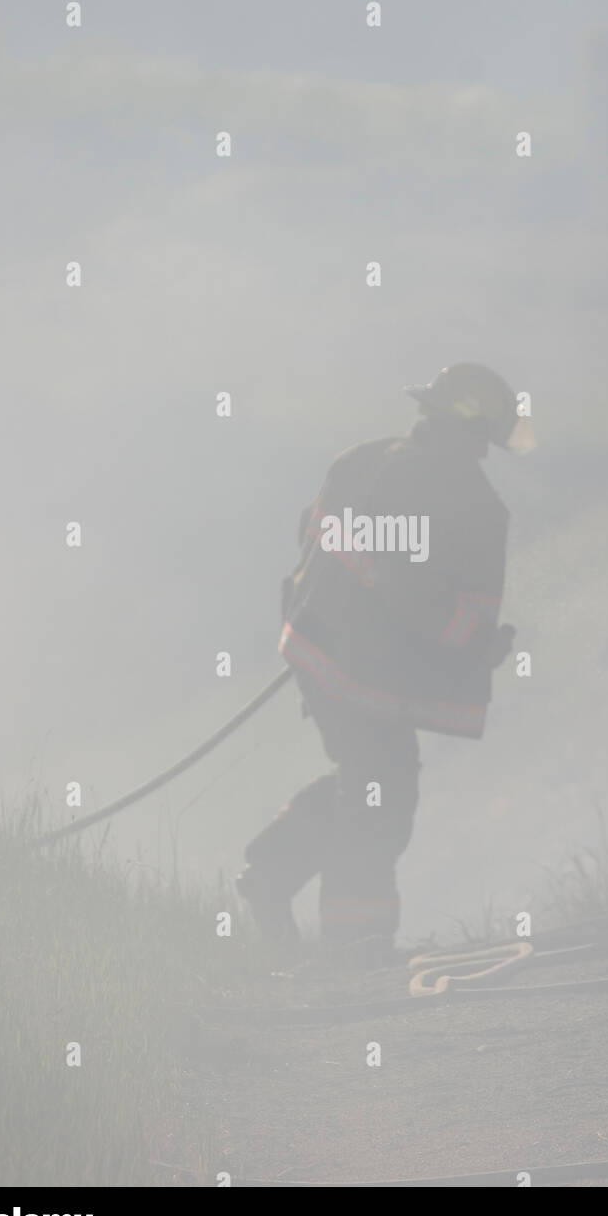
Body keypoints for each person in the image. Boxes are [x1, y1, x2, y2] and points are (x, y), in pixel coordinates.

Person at [236, 363, 528, 962]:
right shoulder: (463, 501)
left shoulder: (362, 459)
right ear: (466, 432)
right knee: (381, 803)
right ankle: (357, 951)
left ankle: (271, 873)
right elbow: (417, 596)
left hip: (320, 653)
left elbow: (313, 537)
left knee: (366, 783)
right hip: (359, 676)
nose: (483, 454)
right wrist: (477, 647)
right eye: (481, 440)